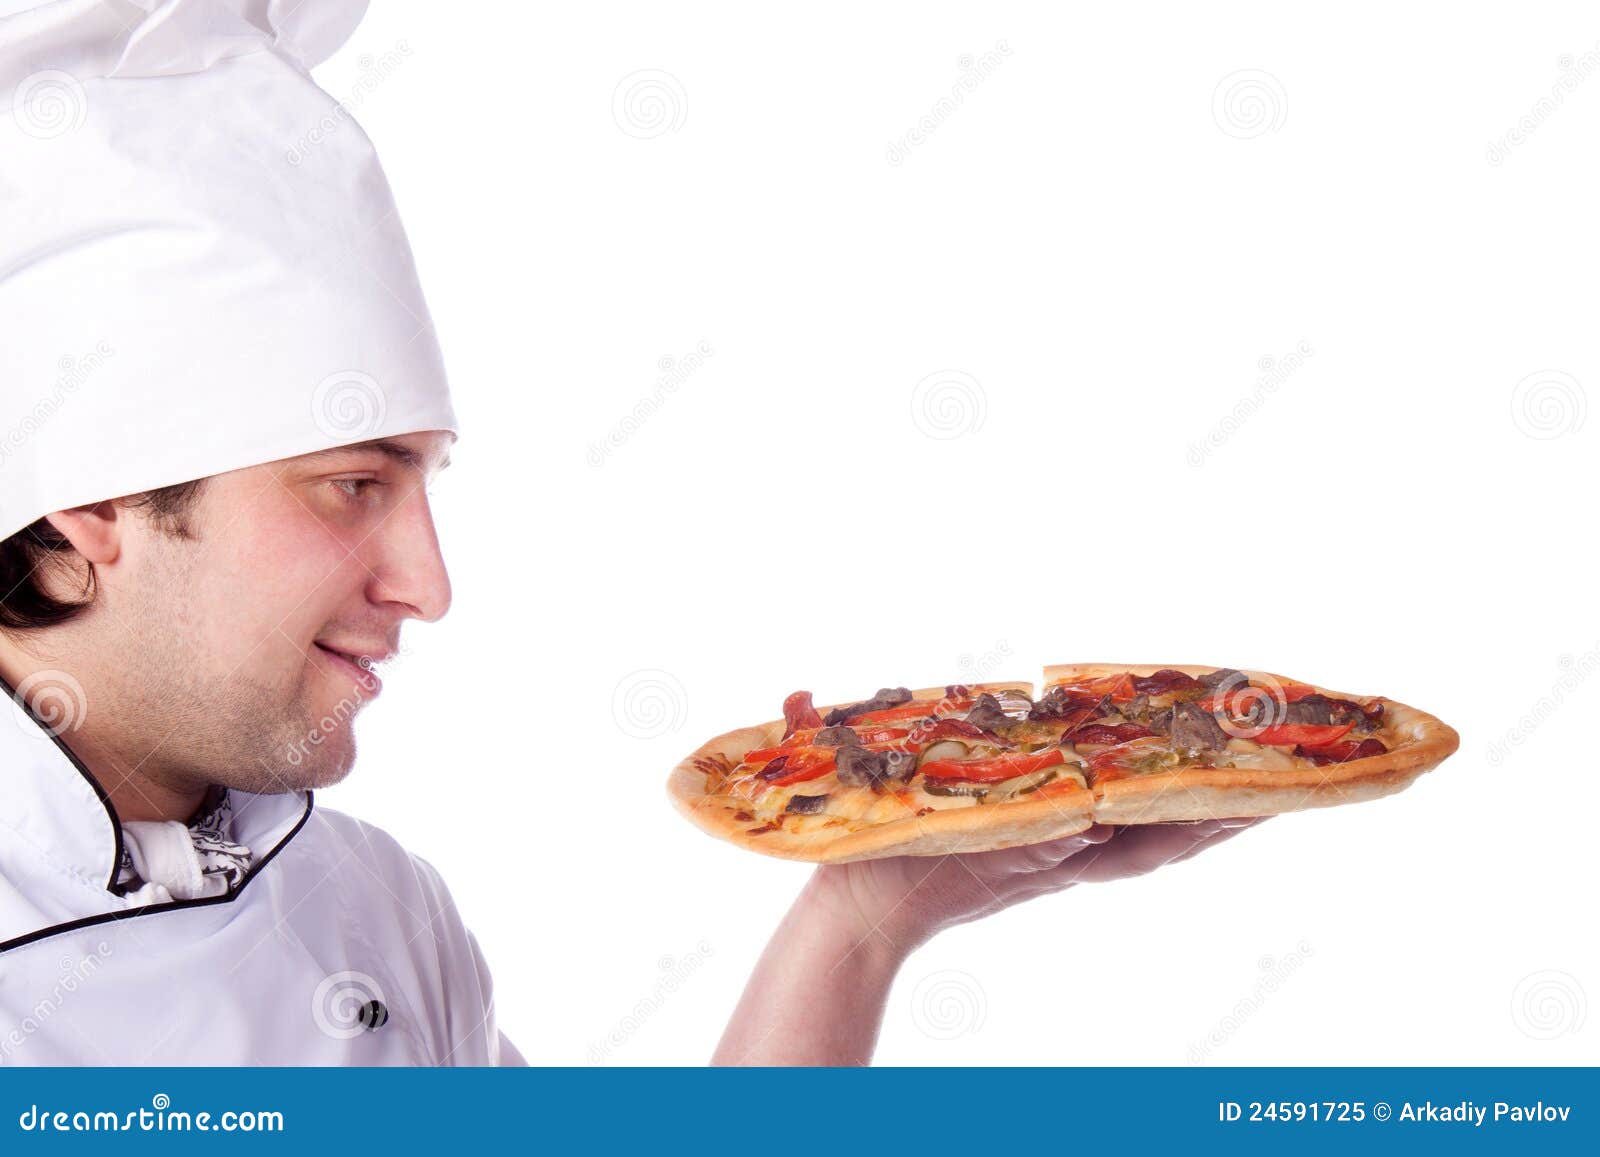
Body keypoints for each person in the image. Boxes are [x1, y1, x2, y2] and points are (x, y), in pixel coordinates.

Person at [0, 1, 1263, 1065]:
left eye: (423, 481)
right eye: (349, 485)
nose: (430, 584)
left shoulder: (372, 911)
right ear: (98, 499)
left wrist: (863, 920)